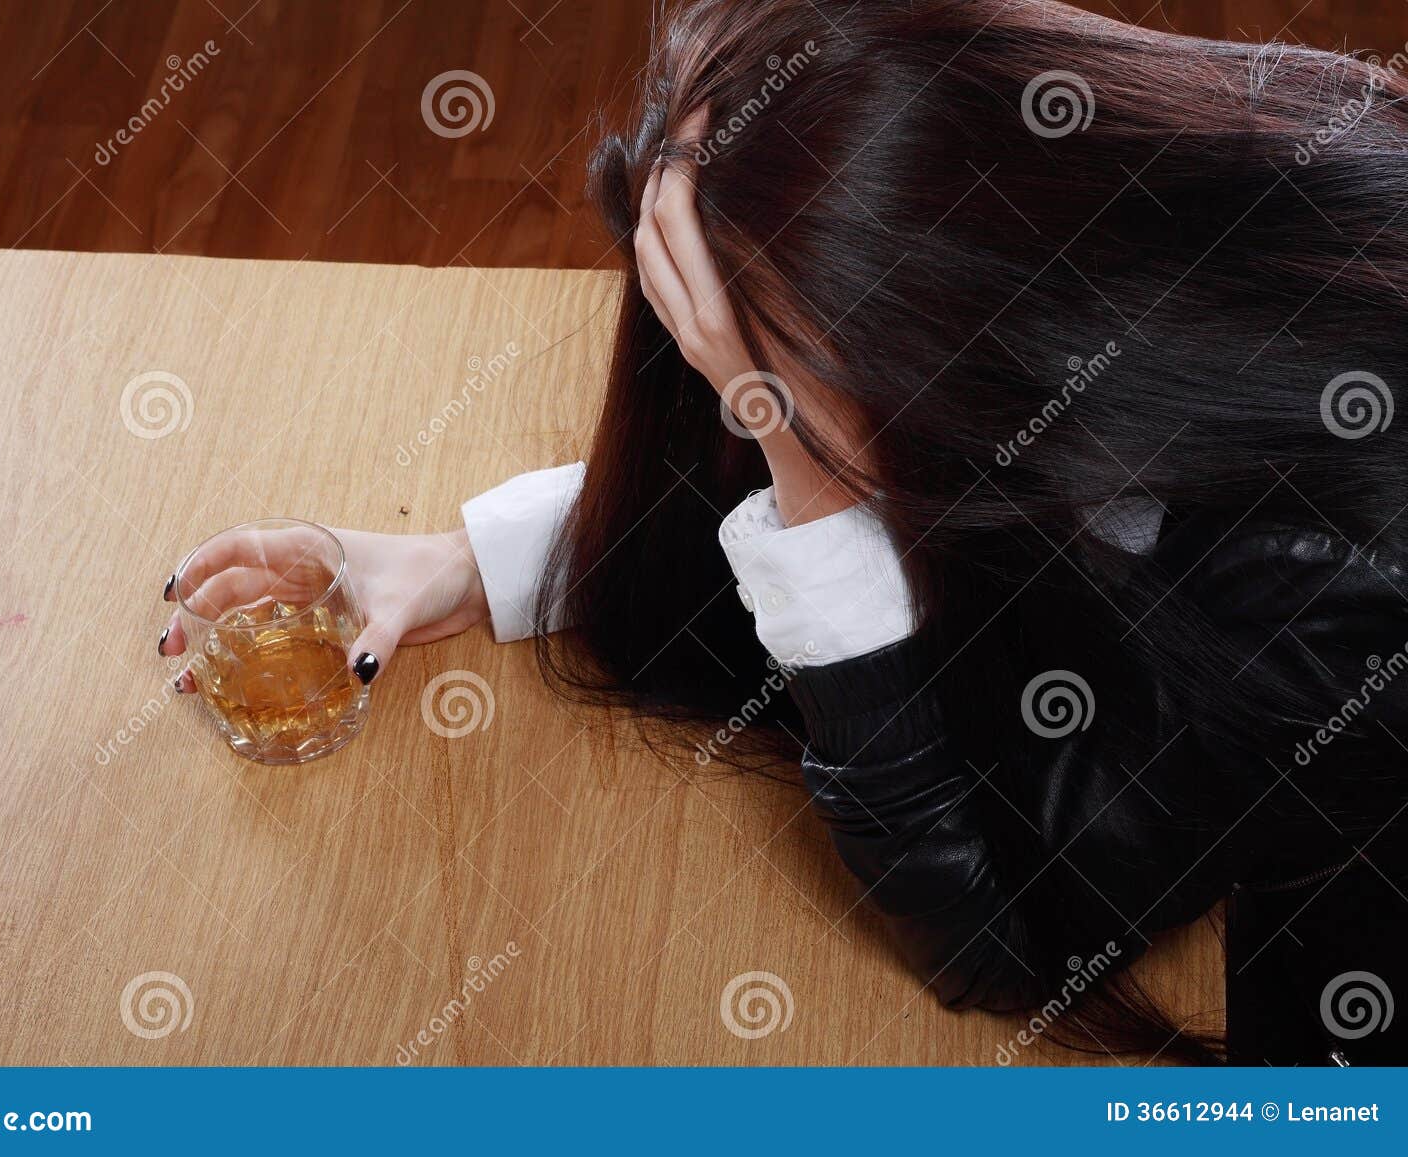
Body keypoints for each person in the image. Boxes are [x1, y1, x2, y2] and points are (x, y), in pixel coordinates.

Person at [161, 0, 1408, 1063]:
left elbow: (1003, 938)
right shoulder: (1076, 280)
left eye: (757, 378)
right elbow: (940, 510)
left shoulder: (1329, 584)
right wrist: (482, 561)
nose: (740, 414)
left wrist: (804, 478)